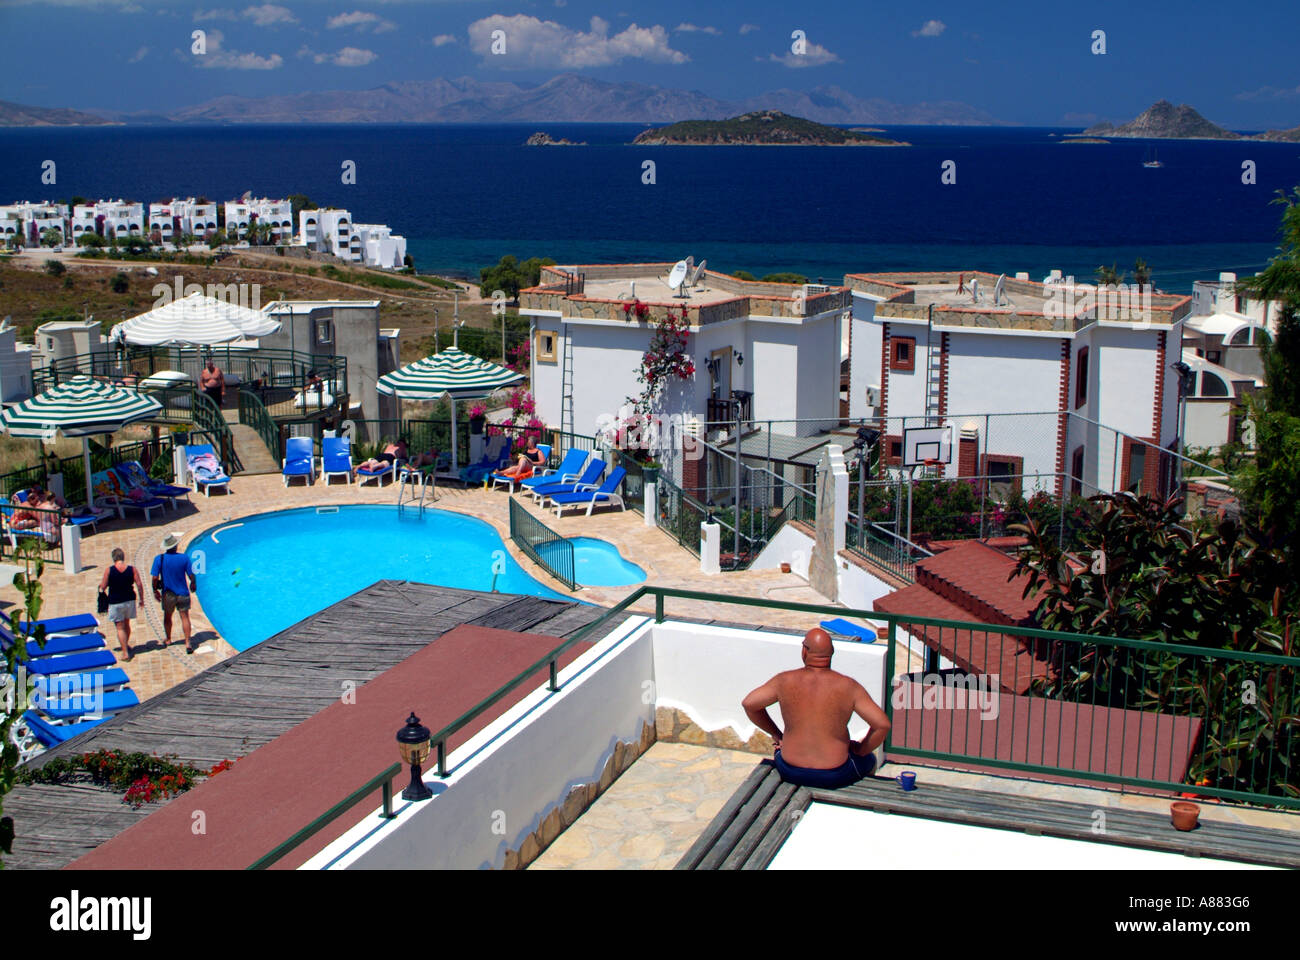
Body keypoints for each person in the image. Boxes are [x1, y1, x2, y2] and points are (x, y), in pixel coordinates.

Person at [741, 627, 891, 789]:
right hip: (834, 773)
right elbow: (882, 725)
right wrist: (862, 750)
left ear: (804, 651)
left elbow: (750, 704)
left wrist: (777, 735)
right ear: (831, 653)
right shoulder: (849, 686)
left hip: (790, 769)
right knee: (869, 760)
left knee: (779, 752)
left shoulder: (784, 680)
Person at [151, 532, 198, 654]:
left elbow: (155, 578)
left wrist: (155, 590)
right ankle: (188, 642)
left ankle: (168, 639)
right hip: (183, 592)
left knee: (168, 616)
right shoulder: (184, 558)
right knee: (185, 617)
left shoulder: (159, 559)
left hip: (168, 593)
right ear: (176, 546)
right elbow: (192, 575)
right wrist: (193, 583)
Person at [99, 547, 145, 661]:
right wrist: (141, 599)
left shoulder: (109, 571)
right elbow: (139, 584)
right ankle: (126, 645)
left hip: (116, 602)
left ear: (113, 558)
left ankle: (125, 652)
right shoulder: (132, 569)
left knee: (120, 628)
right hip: (129, 600)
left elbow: (103, 586)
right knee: (127, 624)